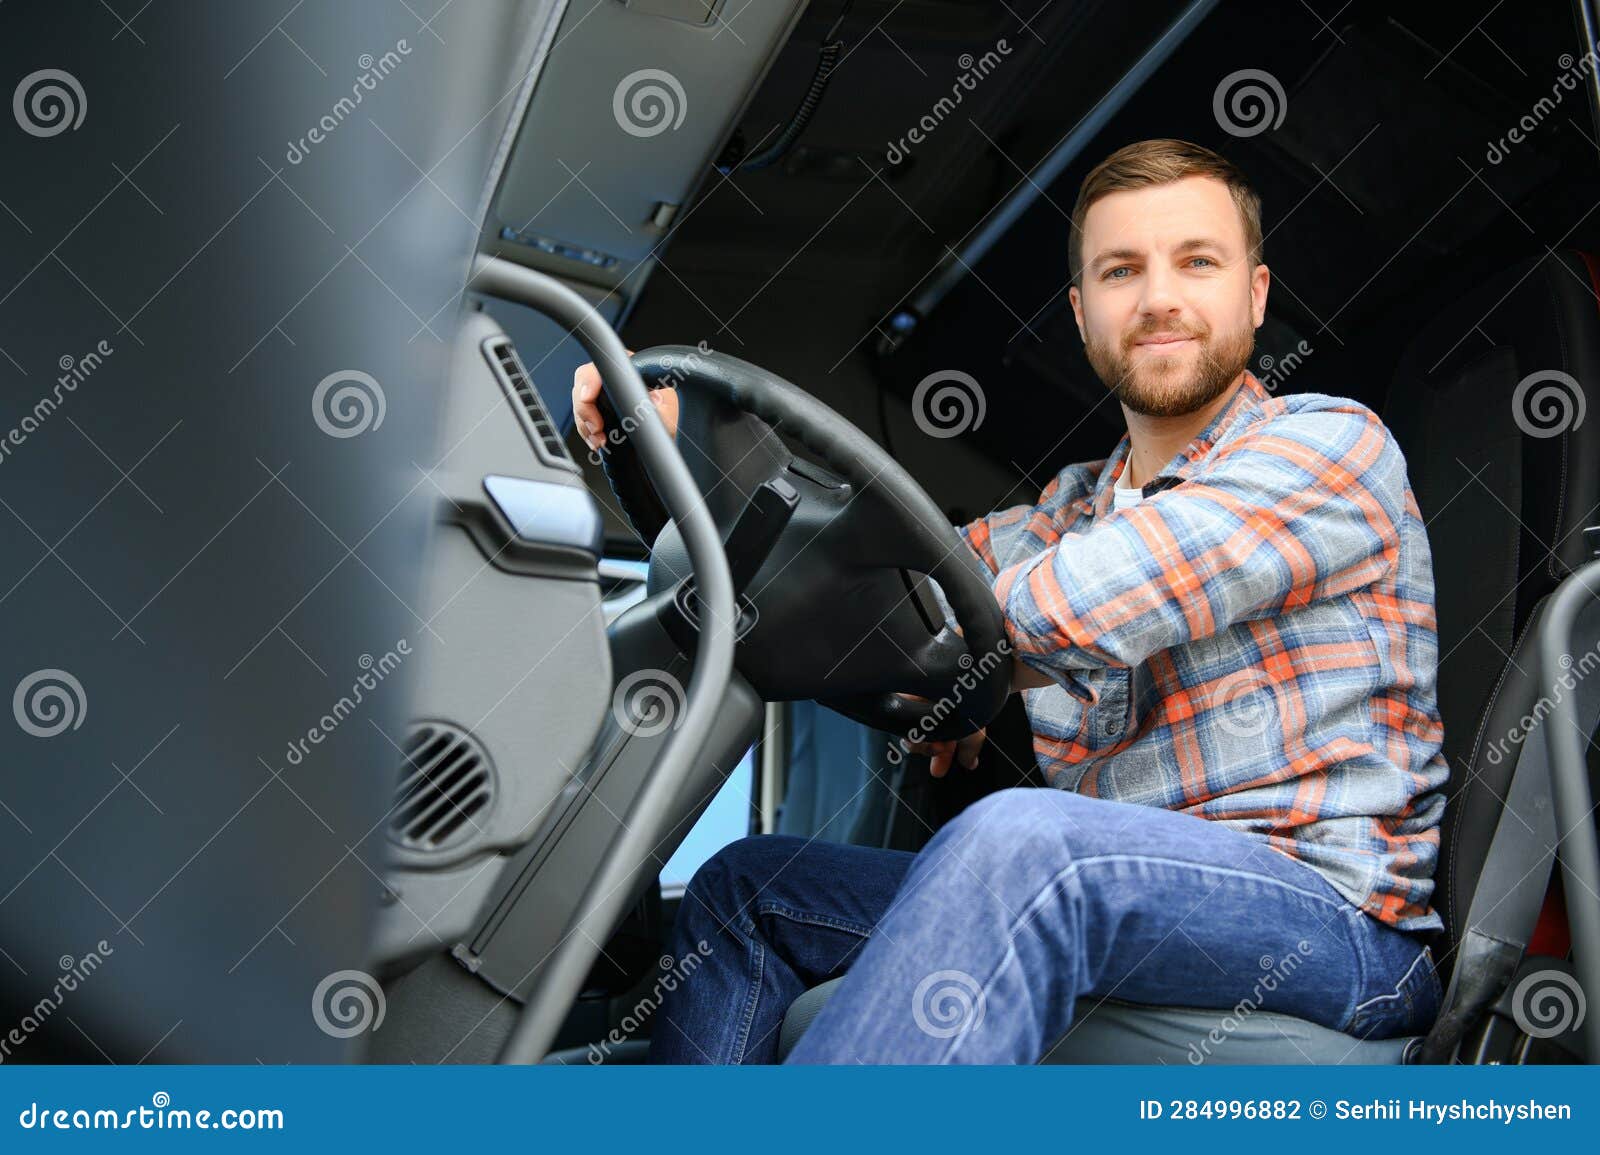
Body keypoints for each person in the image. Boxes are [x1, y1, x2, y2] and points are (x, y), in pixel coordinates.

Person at [572, 139, 1447, 1064]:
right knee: (748, 887)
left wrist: (959, 646)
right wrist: (674, 442)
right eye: (1120, 271)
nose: (1158, 299)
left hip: (1334, 918)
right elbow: (898, 572)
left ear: (1256, 293)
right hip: (1125, 893)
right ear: (1081, 313)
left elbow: (1069, 605)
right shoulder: (1064, 509)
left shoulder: (1330, 448)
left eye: (1198, 262)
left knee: (1022, 842)